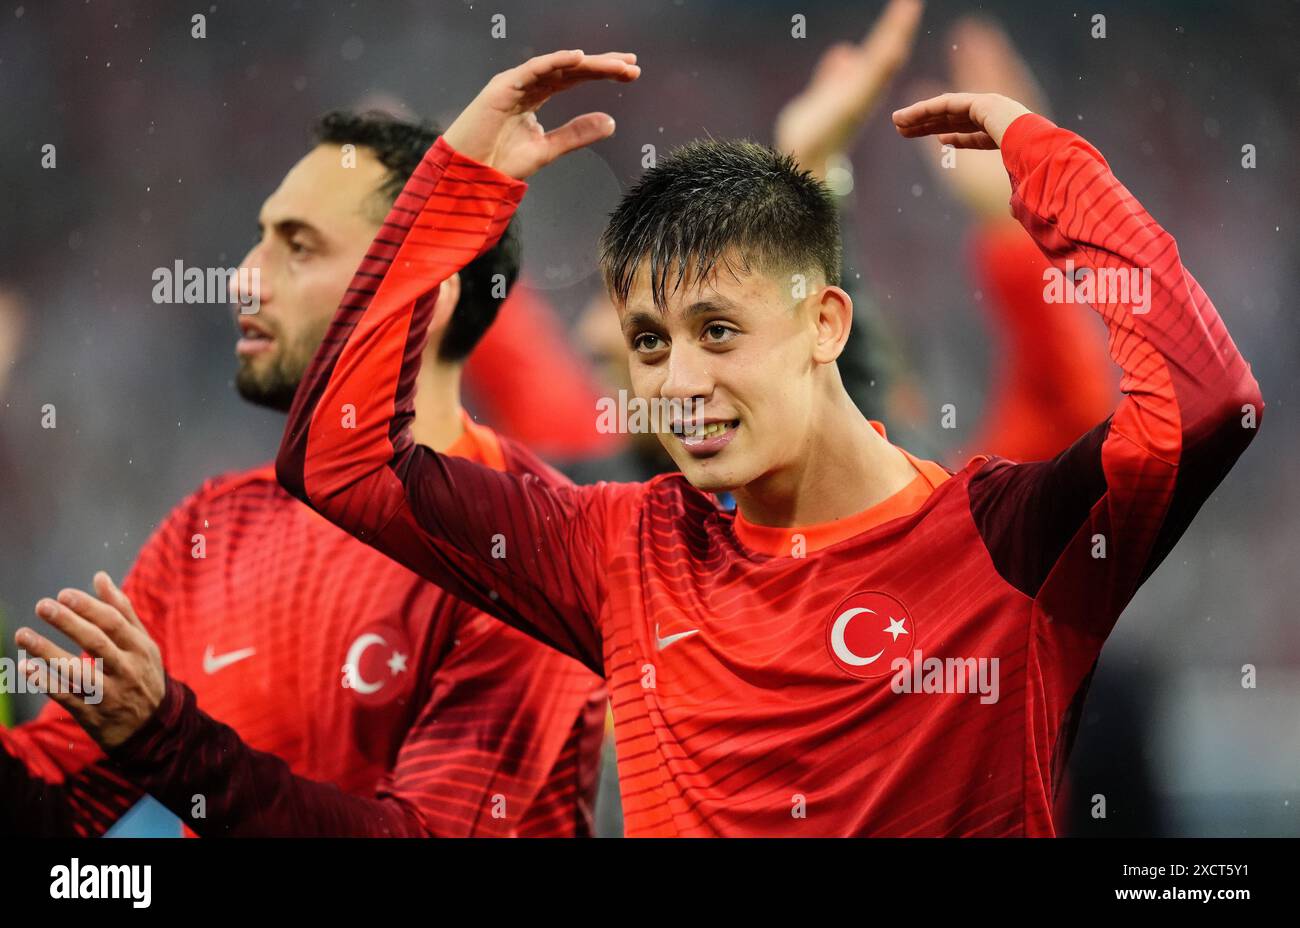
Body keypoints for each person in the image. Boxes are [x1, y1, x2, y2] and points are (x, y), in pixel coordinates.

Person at [3, 110, 609, 837]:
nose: (244, 279)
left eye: (298, 247)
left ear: (428, 294)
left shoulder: (535, 548)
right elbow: (54, 813)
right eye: (260, 238)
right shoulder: (210, 530)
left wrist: (166, 739)